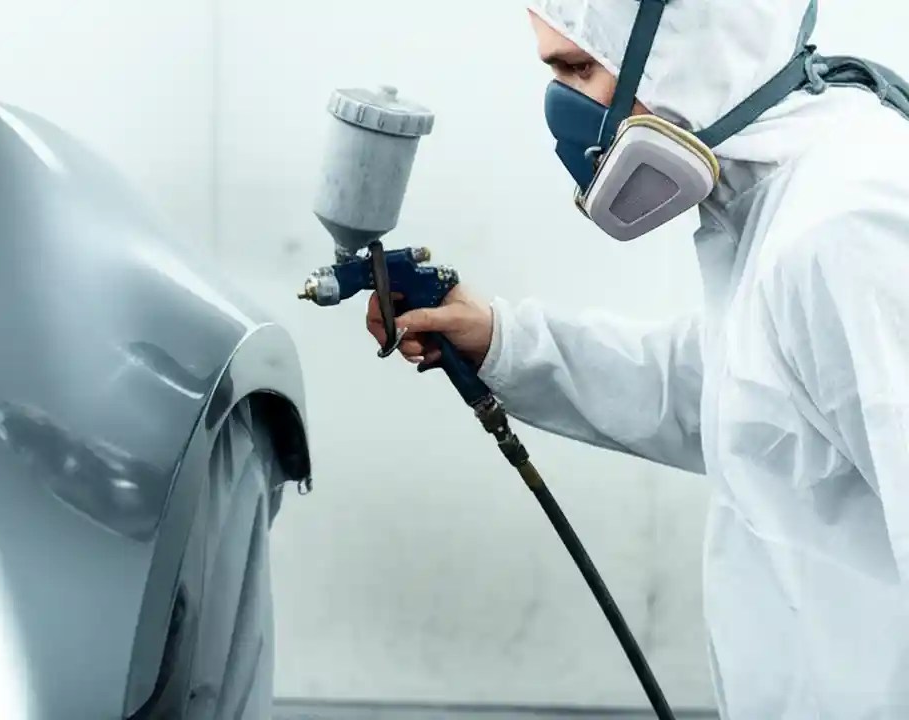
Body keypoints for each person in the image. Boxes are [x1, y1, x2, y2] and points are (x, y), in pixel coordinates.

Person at [368, 1, 909, 717]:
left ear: (684, 51)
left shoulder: (848, 229)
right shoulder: (784, 199)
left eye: (578, 66)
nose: (562, 104)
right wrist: (502, 341)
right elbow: (741, 398)